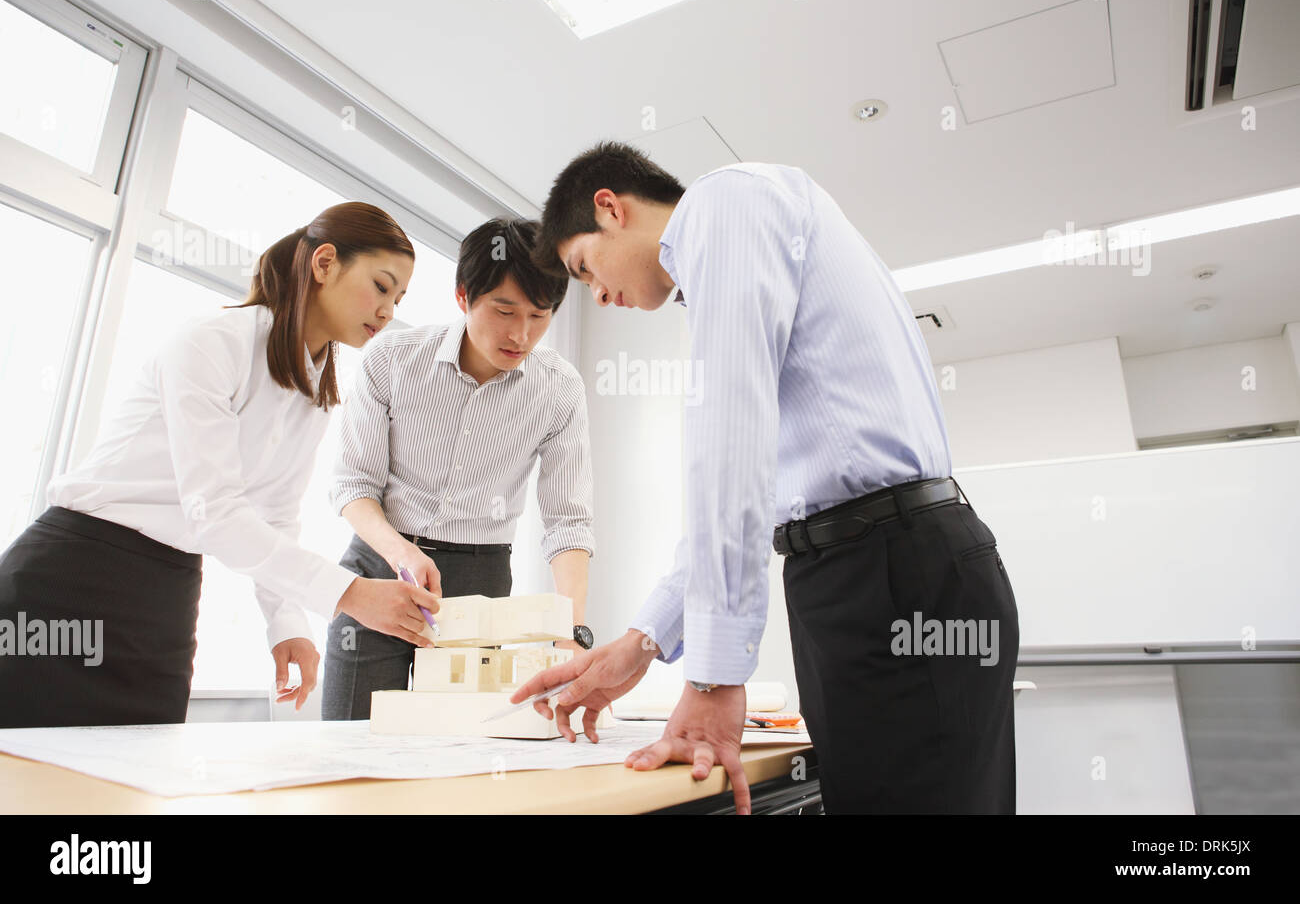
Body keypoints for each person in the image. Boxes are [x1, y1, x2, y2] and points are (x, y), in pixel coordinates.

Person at [513, 142, 1020, 814]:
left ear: (610, 208)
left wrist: (717, 676)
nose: (601, 296)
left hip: (893, 572)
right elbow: (747, 490)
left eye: (585, 268)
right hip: (863, 572)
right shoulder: (734, 256)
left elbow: (731, 440)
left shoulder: (728, 203)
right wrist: (641, 643)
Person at [0, 202, 440, 728]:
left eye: (400, 298)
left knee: (133, 788)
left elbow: (274, 516)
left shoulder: (315, 392)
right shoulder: (212, 341)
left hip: (168, 592)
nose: (389, 310)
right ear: (324, 264)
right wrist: (349, 594)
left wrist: (286, 624)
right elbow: (215, 513)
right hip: (70, 581)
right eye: (382, 286)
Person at [322, 218, 595, 720]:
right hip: (382, 564)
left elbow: (568, 521)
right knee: (351, 736)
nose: (521, 334)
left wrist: (570, 629)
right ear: (463, 296)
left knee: (461, 745)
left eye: (540, 315)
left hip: (480, 578)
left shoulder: (559, 389)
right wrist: (400, 552)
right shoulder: (392, 358)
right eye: (504, 310)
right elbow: (353, 486)